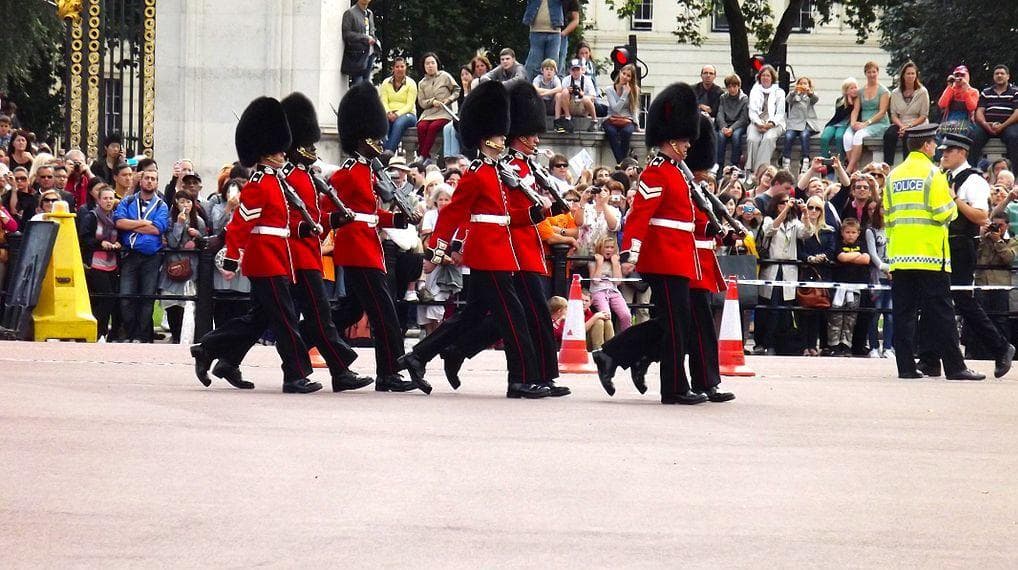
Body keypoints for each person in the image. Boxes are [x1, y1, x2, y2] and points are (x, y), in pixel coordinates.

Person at [402, 82, 568, 396]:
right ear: (486, 136)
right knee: (514, 318)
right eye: (500, 133)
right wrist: (437, 247)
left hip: (502, 249)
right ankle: (519, 381)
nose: (505, 136)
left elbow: (506, 216)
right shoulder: (477, 172)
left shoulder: (495, 171)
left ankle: (418, 356)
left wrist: (535, 215)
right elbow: (453, 213)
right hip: (488, 252)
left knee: (477, 314)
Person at [591, 82, 712, 405]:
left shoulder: (675, 172)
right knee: (675, 326)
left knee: (674, 324)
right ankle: (673, 388)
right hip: (663, 259)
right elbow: (640, 215)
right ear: (672, 139)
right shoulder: (657, 171)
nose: (689, 145)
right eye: (685, 140)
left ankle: (612, 354)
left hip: (679, 257)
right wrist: (632, 249)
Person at [191, 96, 321, 393]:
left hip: (278, 255)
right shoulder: (260, 182)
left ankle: (215, 353)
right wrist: (233, 256)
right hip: (265, 259)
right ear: (265, 152)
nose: (282, 153)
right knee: (286, 318)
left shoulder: (275, 179)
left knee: (258, 318)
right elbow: (241, 223)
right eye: (277, 149)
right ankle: (295, 375)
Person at [322, 83, 427, 394]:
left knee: (350, 311)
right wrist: (334, 221)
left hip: (368, 246)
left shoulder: (366, 170)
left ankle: (305, 336)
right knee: (384, 312)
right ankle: (389, 373)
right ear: (362, 139)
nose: (380, 142)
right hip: (357, 250)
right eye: (376, 137)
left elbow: (369, 213)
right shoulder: (348, 172)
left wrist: (397, 218)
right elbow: (330, 211)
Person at [884, 123, 984, 380]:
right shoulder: (933, 174)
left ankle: (906, 368)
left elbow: (888, 217)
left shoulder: (893, 175)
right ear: (927, 145)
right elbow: (944, 213)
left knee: (904, 312)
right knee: (941, 310)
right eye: (933, 144)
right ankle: (955, 367)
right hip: (929, 254)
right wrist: (953, 206)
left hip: (900, 255)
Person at [915, 132, 1014, 377]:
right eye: (943, 151)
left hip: (960, 246)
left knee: (961, 300)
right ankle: (929, 358)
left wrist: (955, 198)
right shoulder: (943, 176)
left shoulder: (974, 181)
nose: (944, 154)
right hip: (942, 245)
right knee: (934, 299)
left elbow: (982, 217)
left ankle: (1001, 347)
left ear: (962, 153)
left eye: (949, 151)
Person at [113, 162, 168, 343]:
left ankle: (142, 336)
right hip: (130, 254)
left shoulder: (161, 205)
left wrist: (133, 224)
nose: (150, 182)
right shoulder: (128, 201)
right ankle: (129, 333)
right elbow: (119, 222)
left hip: (151, 257)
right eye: (147, 178)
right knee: (126, 296)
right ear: (140, 181)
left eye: (153, 179)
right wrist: (144, 223)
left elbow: (157, 229)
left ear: (157, 183)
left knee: (147, 298)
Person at [159, 191, 205, 344]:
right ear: (176, 204)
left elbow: (205, 242)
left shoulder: (198, 221)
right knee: (172, 303)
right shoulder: (170, 221)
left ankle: (186, 337)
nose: (186, 205)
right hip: (172, 267)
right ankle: (175, 336)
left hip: (190, 269)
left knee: (188, 304)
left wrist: (197, 236)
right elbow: (172, 243)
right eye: (182, 202)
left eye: (189, 202)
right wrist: (179, 224)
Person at [798, 194, 836, 356]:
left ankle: (817, 345)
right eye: (810, 207)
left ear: (822, 211)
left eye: (817, 208)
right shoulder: (800, 228)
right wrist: (809, 258)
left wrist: (823, 257)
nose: (813, 211)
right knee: (804, 310)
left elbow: (833, 249)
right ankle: (805, 345)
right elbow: (798, 249)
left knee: (819, 310)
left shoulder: (829, 230)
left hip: (823, 272)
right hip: (806, 272)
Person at [826, 218, 870, 356]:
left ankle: (847, 345)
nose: (850, 235)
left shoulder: (862, 245)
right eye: (848, 232)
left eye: (853, 232)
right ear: (842, 233)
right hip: (840, 287)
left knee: (851, 318)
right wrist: (857, 255)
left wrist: (851, 256)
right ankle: (834, 345)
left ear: (858, 233)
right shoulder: (838, 245)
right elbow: (841, 257)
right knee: (836, 316)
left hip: (856, 288)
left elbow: (867, 259)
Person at [844, 61, 890, 173]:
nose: (872, 74)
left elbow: (882, 112)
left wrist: (866, 123)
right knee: (847, 137)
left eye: (874, 72)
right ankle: (855, 169)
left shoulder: (883, 91)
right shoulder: (861, 91)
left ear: (878, 73)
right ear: (865, 74)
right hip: (863, 122)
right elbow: (856, 110)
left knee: (859, 135)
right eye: (869, 72)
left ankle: (849, 170)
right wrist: (853, 123)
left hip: (878, 123)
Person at [971, 64, 1018, 168]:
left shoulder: (1015, 92)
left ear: (1008, 76)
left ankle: (1015, 174)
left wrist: (1003, 125)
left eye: (1002, 73)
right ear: (993, 76)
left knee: (1014, 137)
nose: (999, 75)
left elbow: (1017, 113)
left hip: (1008, 125)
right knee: (973, 136)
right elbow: (979, 111)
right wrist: (985, 124)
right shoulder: (986, 92)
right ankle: (971, 170)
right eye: (997, 73)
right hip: (987, 126)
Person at [415, 52, 460, 160]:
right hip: (428, 113)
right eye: (427, 64)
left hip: (444, 112)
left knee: (433, 127)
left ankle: (422, 156)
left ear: (437, 64)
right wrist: (432, 102)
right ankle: (425, 155)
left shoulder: (445, 76)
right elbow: (421, 102)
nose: (430, 66)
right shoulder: (422, 83)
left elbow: (457, 90)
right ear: (424, 66)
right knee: (421, 127)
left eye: (432, 63)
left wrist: (449, 99)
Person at [883, 61, 930, 165]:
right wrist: (902, 126)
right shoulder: (895, 93)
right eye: (908, 73)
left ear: (916, 75)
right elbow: (894, 115)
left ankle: (908, 165)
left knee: (908, 136)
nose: (910, 76)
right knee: (889, 135)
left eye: (913, 73)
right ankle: (887, 166)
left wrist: (909, 126)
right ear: (903, 75)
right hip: (901, 122)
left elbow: (924, 115)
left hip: (917, 123)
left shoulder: (922, 92)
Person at [864, 198, 893, 358]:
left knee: (890, 314)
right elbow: (872, 254)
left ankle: (888, 347)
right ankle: (874, 346)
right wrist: (884, 268)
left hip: (894, 276)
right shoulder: (871, 230)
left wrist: (894, 269)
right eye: (882, 207)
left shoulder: (895, 229)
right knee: (875, 312)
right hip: (878, 277)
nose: (885, 210)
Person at [744, 65, 786, 172]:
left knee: (768, 139)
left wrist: (769, 124)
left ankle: (760, 172)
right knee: (752, 139)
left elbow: (780, 114)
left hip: (775, 124)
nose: (765, 78)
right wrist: (758, 123)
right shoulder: (754, 91)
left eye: (768, 75)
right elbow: (752, 112)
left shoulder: (779, 92)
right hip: (757, 122)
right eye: (763, 75)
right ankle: (750, 170)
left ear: (772, 78)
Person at [588, 235, 632, 330]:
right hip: (598, 291)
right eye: (606, 247)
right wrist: (599, 263)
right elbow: (595, 281)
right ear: (600, 248)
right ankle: (608, 341)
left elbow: (618, 282)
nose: (609, 250)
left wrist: (615, 264)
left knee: (626, 315)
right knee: (606, 315)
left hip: (613, 291)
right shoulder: (593, 262)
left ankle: (627, 339)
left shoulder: (615, 261)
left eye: (612, 247)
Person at [603, 63, 640, 164]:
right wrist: (624, 94)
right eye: (624, 73)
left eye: (628, 76)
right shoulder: (609, 89)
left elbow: (634, 109)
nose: (625, 77)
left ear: (631, 78)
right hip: (611, 118)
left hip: (627, 119)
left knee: (626, 132)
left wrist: (637, 124)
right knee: (611, 133)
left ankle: (622, 163)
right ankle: (622, 163)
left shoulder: (634, 89)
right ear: (620, 73)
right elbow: (616, 108)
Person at [379, 57, 418, 152]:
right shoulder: (385, 83)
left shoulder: (411, 83)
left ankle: (388, 152)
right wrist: (388, 112)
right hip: (389, 113)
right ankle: (383, 150)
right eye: (397, 67)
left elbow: (410, 104)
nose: (400, 69)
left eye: (402, 66)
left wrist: (397, 114)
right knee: (381, 123)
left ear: (406, 68)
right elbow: (383, 101)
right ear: (393, 68)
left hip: (408, 114)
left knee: (398, 123)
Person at [782, 76, 820, 172]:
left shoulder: (811, 95)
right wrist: (794, 92)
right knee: (789, 136)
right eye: (801, 83)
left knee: (804, 135)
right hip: (794, 123)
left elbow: (815, 99)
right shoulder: (794, 95)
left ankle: (806, 159)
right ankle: (786, 160)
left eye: (805, 83)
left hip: (807, 123)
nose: (803, 85)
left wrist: (809, 93)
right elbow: (788, 100)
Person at [522, 0, 564, 80]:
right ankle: (530, 89)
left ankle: (553, 89)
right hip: (536, 31)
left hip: (554, 32)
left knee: (552, 64)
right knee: (534, 65)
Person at [936, 65, 979, 141]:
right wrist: (949, 87)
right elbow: (942, 104)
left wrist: (965, 91)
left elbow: (972, 107)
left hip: (966, 122)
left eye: (962, 75)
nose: (959, 78)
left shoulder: (973, 91)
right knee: (939, 134)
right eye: (957, 75)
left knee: (958, 132)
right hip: (949, 121)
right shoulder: (951, 90)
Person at [555, 59, 598, 133]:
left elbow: (593, 96)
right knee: (561, 94)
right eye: (573, 70)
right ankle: (564, 119)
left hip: (582, 107)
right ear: (570, 71)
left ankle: (594, 121)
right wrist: (568, 91)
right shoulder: (566, 79)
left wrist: (582, 94)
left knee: (586, 99)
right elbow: (560, 96)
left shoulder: (587, 80)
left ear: (582, 70)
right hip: (569, 105)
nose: (575, 72)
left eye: (577, 70)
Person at [820, 78, 859, 160]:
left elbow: (855, 113)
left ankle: (841, 160)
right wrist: (848, 99)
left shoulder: (858, 100)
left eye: (856, 87)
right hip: (835, 123)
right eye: (851, 88)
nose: (854, 90)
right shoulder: (840, 100)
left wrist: (851, 102)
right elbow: (840, 114)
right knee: (824, 137)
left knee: (839, 137)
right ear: (846, 90)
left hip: (846, 125)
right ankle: (826, 160)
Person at [341, 0, 377, 86]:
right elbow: (346, 34)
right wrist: (365, 38)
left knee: (366, 84)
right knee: (358, 84)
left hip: (370, 53)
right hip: (357, 55)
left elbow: (372, 31)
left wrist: (374, 39)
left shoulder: (369, 13)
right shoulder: (350, 13)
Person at [716, 74, 749, 168]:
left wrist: (732, 128)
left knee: (735, 136)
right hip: (726, 124)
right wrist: (723, 126)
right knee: (721, 137)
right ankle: (720, 165)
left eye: (734, 86)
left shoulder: (744, 98)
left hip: (738, 125)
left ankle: (735, 163)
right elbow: (720, 113)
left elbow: (743, 118)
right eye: (729, 87)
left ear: (738, 86)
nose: (732, 89)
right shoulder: (723, 97)